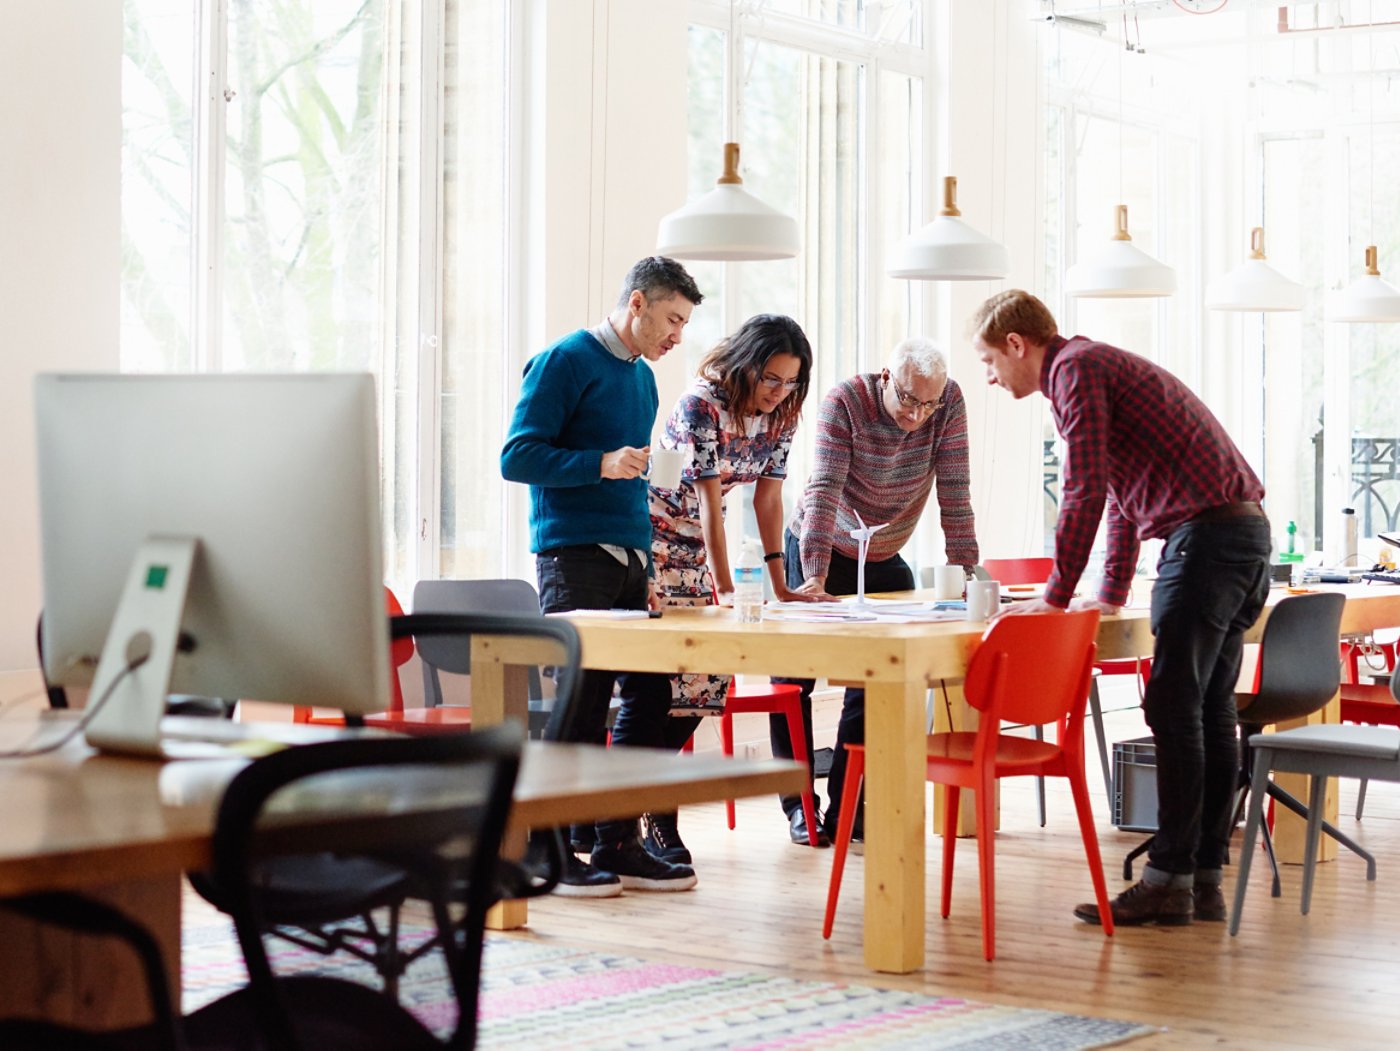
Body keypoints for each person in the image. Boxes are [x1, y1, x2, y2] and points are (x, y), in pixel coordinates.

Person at [969, 288, 1271, 927]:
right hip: (1243, 536)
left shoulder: (1075, 371)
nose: (990, 378)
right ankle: (1202, 880)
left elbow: (1081, 488)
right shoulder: (1094, 366)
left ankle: (1167, 879)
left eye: (990, 362)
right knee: (1209, 706)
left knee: (1172, 705)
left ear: (1017, 344)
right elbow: (1119, 494)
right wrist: (1106, 591)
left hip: (1207, 543)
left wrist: (1054, 598)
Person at [500, 256, 704, 897]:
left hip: (631, 560)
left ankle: (620, 841)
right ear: (637, 303)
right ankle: (550, 852)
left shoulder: (643, 381)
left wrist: (647, 551)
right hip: (573, 557)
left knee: (647, 699)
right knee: (581, 705)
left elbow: (631, 474)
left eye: (685, 324)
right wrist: (601, 462)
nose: (678, 336)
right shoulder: (564, 360)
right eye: (672, 319)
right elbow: (517, 455)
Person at [618, 313, 824, 866]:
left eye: (790, 382)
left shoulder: (782, 418)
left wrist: (783, 587)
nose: (778, 392)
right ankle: (648, 814)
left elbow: (768, 500)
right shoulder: (700, 405)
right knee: (662, 688)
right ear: (746, 366)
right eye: (770, 379)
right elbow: (710, 503)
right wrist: (728, 592)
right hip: (656, 540)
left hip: (697, 549)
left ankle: (633, 796)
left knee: (707, 683)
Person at [773, 337, 979, 846]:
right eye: (908, 399)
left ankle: (850, 807)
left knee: (875, 681)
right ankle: (800, 808)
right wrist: (814, 577)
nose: (916, 415)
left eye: (927, 404)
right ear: (886, 377)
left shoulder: (947, 402)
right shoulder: (845, 403)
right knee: (792, 681)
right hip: (821, 544)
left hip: (883, 554)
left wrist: (968, 574)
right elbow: (822, 489)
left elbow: (955, 492)